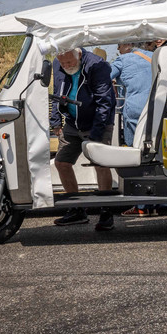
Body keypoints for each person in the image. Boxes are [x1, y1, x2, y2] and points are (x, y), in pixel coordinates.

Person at [49, 47, 118, 230]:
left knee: (100, 164)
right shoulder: (58, 63)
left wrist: (95, 136)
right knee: (62, 163)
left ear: (78, 54)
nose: (66, 66)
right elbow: (58, 91)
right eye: (62, 63)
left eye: (69, 63)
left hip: (98, 122)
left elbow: (105, 102)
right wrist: (56, 120)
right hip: (73, 123)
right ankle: (76, 209)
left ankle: (106, 212)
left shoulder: (97, 65)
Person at [108, 42, 154, 146]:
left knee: (133, 146)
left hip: (135, 108)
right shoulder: (155, 56)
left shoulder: (123, 59)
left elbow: (105, 77)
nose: (118, 50)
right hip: (157, 106)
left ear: (127, 44)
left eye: (119, 46)